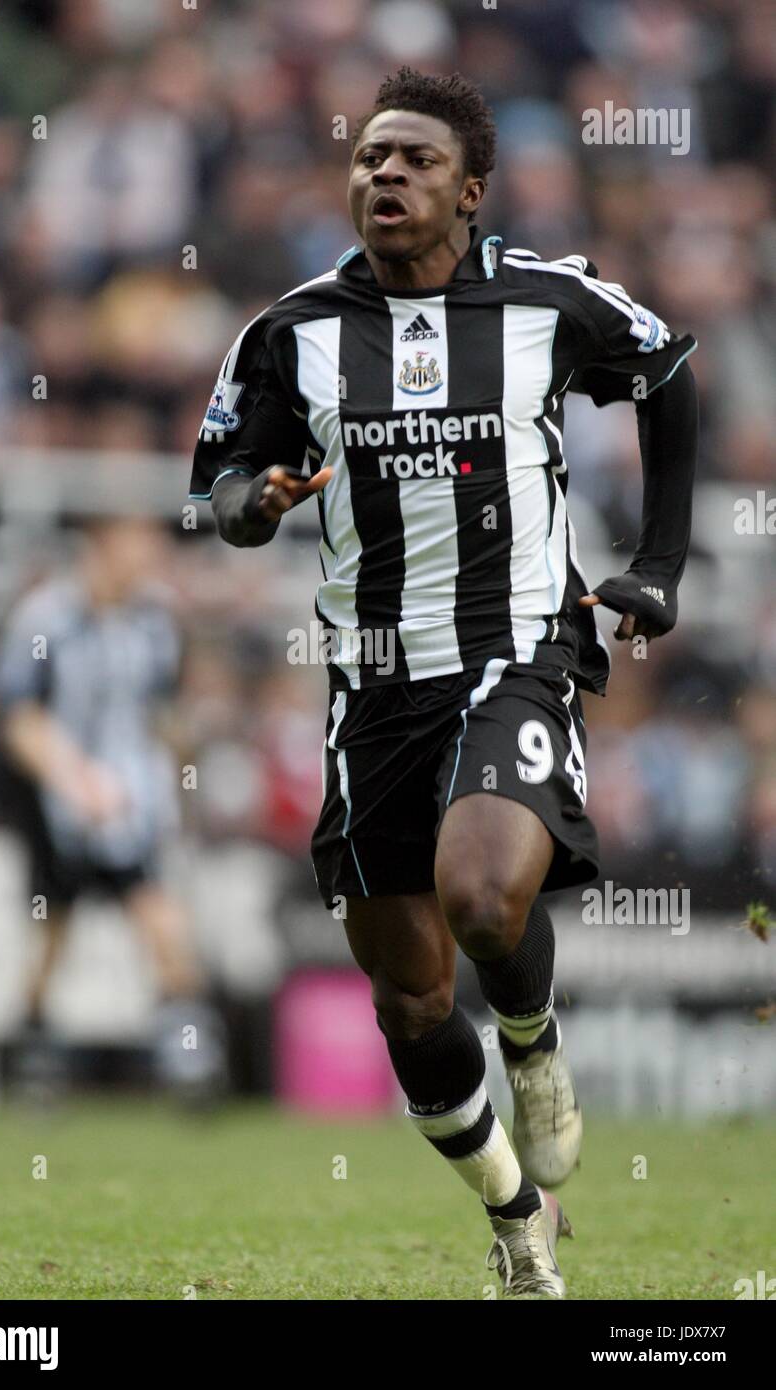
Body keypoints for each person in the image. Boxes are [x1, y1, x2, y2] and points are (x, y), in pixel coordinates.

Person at [188, 68, 697, 1296]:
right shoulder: (291, 329)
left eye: (412, 161)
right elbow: (217, 482)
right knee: (411, 1000)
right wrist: (249, 504)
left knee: (481, 899)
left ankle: (530, 1036)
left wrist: (659, 569)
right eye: (369, 159)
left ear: (468, 192)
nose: (383, 178)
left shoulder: (546, 302)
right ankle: (517, 1222)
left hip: (515, 652)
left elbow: (669, 374)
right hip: (369, 689)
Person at [0, 514, 228, 1101]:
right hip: (59, 804)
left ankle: (188, 1058)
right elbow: (19, 719)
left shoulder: (154, 624)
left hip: (129, 809)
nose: (148, 554)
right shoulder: (45, 619)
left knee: (161, 920)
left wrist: (184, 758)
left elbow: (161, 714)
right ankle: (34, 1051)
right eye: (137, 541)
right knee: (54, 932)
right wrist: (74, 779)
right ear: (102, 545)